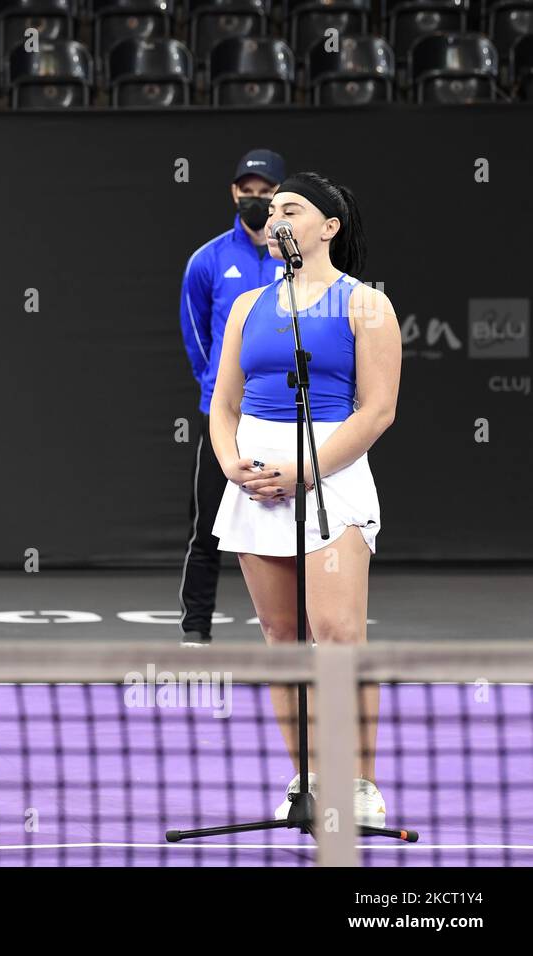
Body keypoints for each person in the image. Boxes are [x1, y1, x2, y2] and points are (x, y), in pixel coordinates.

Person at [208, 171, 401, 828]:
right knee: (282, 637)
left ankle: (363, 785)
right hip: (255, 478)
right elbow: (223, 405)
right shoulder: (244, 308)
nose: (276, 216)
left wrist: (306, 470)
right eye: (271, 209)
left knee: (339, 636)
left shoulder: (365, 306)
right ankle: (309, 780)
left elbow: (376, 412)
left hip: (332, 475)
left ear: (329, 228)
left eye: (293, 207)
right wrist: (233, 462)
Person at [178, 148, 287, 647]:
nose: (255, 200)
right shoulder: (208, 259)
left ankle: (299, 629)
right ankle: (196, 631)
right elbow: (197, 332)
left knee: (297, 524)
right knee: (207, 528)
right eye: (248, 191)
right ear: (233, 193)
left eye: (266, 193)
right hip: (222, 416)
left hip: (283, 416)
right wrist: (217, 389)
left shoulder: (295, 262)